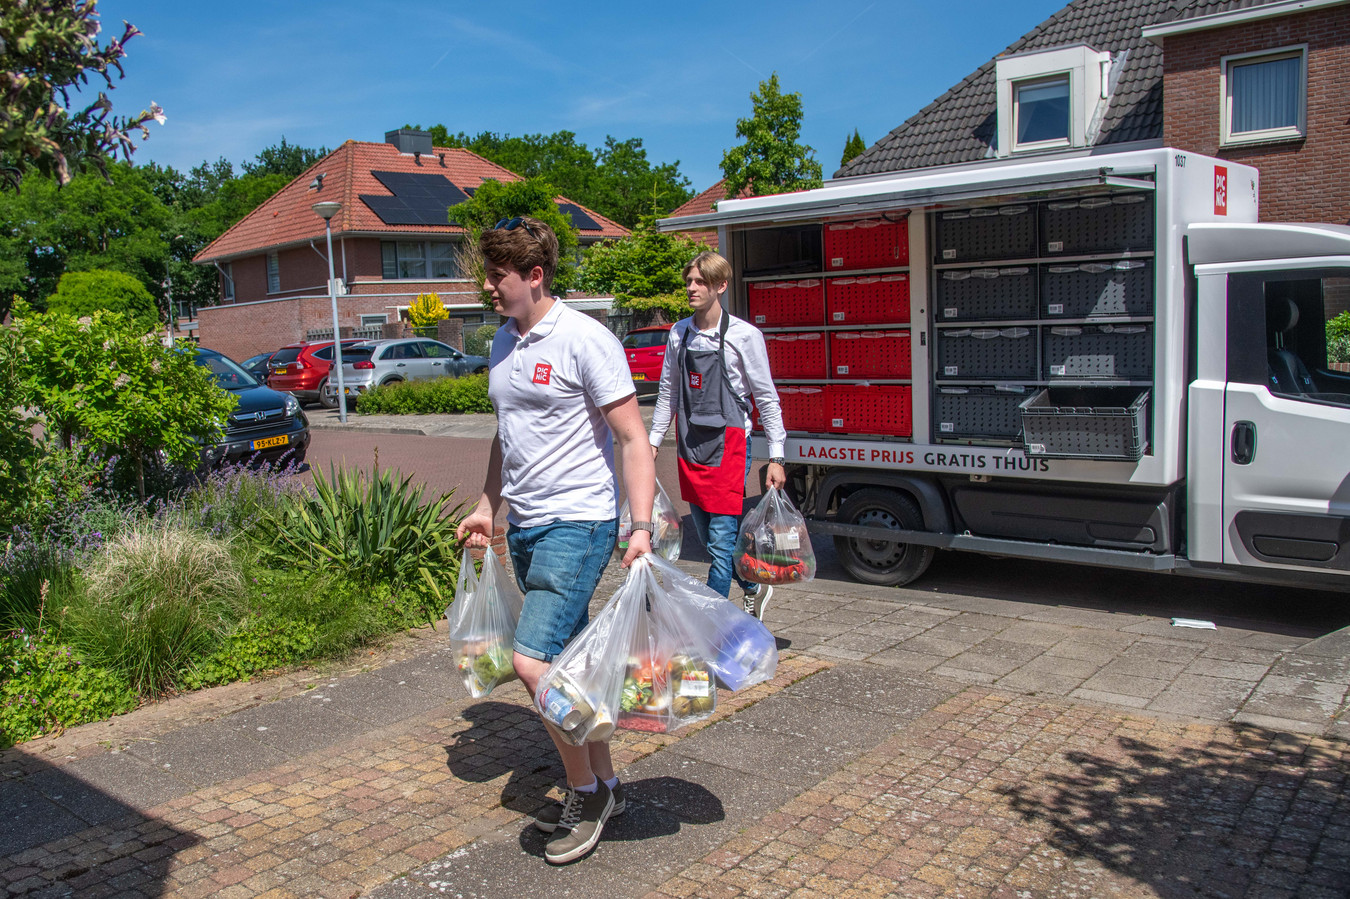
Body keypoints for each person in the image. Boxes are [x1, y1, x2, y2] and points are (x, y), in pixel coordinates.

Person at [456, 215, 655, 866]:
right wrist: (488, 507)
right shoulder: (501, 341)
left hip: (580, 521)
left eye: (498, 276)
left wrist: (641, 525)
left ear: (535, 275)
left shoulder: (585, 339)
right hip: (527, 525)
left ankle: (585, 794)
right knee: (568, 665)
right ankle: (606, 782)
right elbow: (506, 433)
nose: (488, 287)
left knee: (532, 662)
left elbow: (633, 437)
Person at [648, 250, 787, 619]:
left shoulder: (745, 336)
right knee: (712, 542)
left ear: (720, 286)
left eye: (700, 282)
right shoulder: (679, 333)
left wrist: (776, 456)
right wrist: (652, 443)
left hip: (730, 448)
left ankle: (710, 627)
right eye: (689, 281)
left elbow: (766, 398)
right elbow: (668, 393)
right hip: (691, 448)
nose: (691, 288)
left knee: (720, 545)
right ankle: (753, 585)